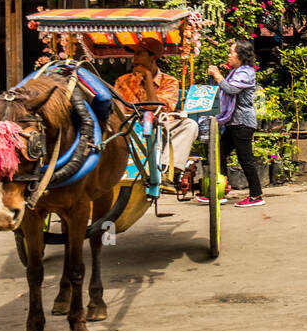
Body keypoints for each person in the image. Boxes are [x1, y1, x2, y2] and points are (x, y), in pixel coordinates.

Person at [113, 38, 199, 185]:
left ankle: (166, 169)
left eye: (139, 54)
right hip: (129, 126)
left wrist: (147, 77)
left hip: (161, 125)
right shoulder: (123, 81)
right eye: (134, 54)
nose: (135, 58)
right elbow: (117, 106)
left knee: (190, 125)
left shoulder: (169, 81)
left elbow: (154, 107)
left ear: (153, 57)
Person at [198, 39, 263, 208]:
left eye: (231, 52)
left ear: (241, 55)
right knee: (219, 153)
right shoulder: (235, 71)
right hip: (233, 123)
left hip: (242, 122)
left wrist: (217, 75)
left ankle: (256, 195)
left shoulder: (246, 72)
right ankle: (220, 191)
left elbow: (231, 89)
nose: (229, 55)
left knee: (245, 159)